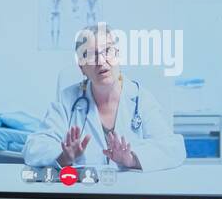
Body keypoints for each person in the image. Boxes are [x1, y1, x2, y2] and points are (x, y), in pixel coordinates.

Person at [23, 24, 185, 172]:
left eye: (107, 51)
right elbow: (33, 147)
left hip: (133, 191)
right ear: (82, 67)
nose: (101, 61)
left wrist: (131, 159)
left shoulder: (140, 98)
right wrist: (64, 156)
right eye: (91, 55)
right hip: (85, 190)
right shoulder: (68, 100)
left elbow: (173, 148)